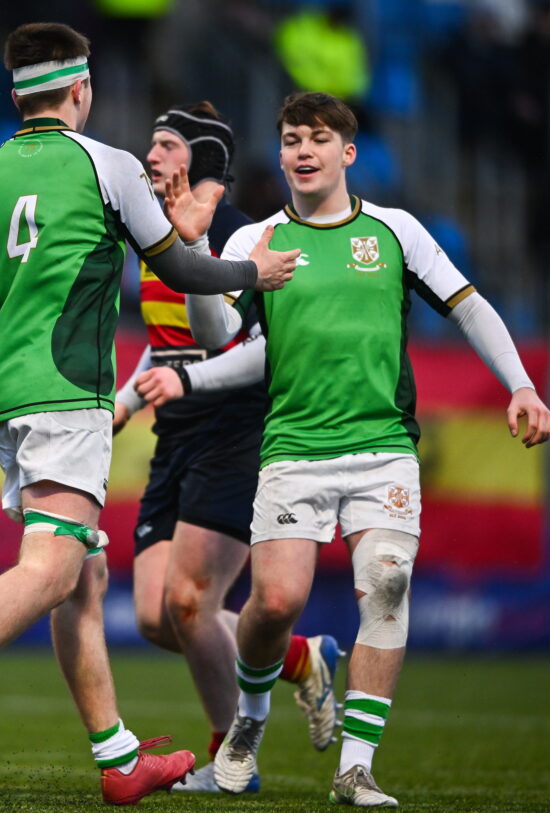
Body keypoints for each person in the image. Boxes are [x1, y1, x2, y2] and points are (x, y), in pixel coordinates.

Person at [0, 22, 298, 805]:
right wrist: (253, 270)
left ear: (15, 94)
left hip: (3, 393)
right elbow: (175, 264)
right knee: (55, 567)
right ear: (82, 89)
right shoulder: (108, 166)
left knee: (84, 576)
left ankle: (117, 753)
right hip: (70, 391)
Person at [194, 91, 550, 807]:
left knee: (386, 588)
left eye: (318, 139)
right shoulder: (255, 241)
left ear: (347, 153)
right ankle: (249, 723)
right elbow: (212, 336)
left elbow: (470, 305)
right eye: (292, 138)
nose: (303, 150)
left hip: (382, 446)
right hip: (294, 447)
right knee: (274, 601)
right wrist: (226, 270)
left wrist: (520, 384)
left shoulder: (395, 232)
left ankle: (355, 767)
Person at [113, 102, 342, 793]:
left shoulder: (243, 236)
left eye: (164, 145)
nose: (149, 156)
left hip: (238, 428)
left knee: (190, 602)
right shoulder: (153, 237)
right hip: (178, 428)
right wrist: (125, 404)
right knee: (158, 616)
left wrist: (180, 378)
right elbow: (169, 340)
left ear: (198, 160)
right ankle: (301, 658)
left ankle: (230, 760)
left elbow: (258, 353)